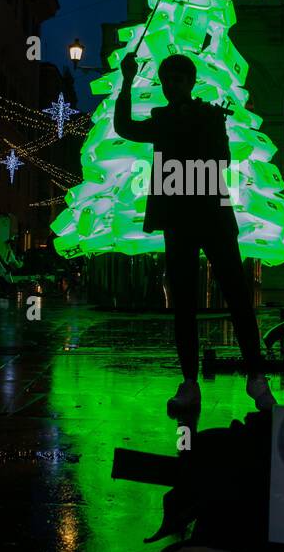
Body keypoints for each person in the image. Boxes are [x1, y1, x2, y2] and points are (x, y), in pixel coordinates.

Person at [113, 50, 274, 413]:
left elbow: (222, 158)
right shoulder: (164, 118)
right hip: (178, 217)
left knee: (237, 295)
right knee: (183, 303)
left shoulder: (207, 115)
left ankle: (256, 377)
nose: (172, 86)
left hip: (211, 213)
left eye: (179, 80)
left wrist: (194, 124)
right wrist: (126, 81)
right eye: (167, 80)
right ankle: (189, 382)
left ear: (189, 82)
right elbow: (125, 127)